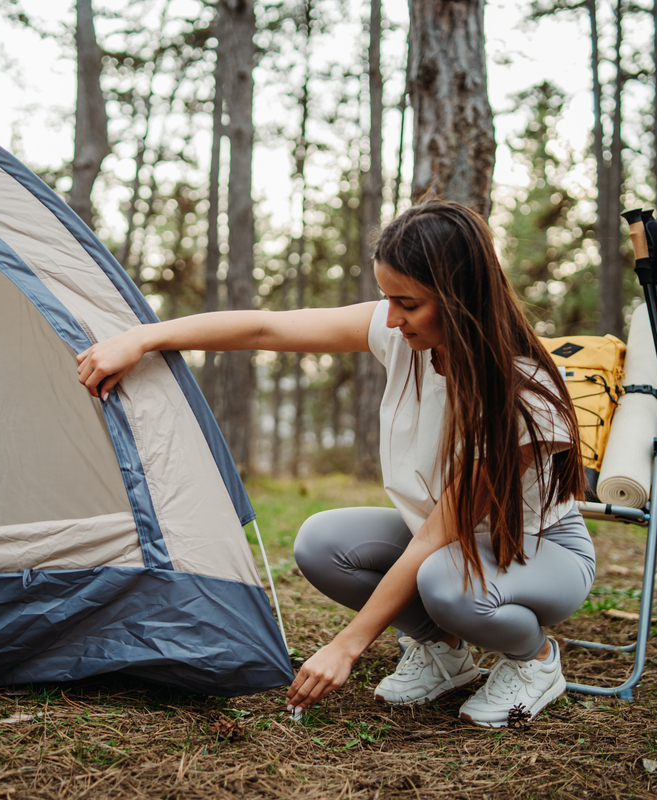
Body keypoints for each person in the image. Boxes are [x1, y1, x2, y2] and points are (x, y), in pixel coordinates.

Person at [75, 200, 594, 728]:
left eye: (407, 303)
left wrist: (346, 646)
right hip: (443, 545)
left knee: (445, 581)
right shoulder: (405, 334)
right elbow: (266, 330)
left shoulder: (522, 395)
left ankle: (534, 660)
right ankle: (444, 652)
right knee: (321, 543)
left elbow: (437, 537)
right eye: (387, 298)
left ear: (461, 297)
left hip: (538, 551)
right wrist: (144, 337)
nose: (391, 318)